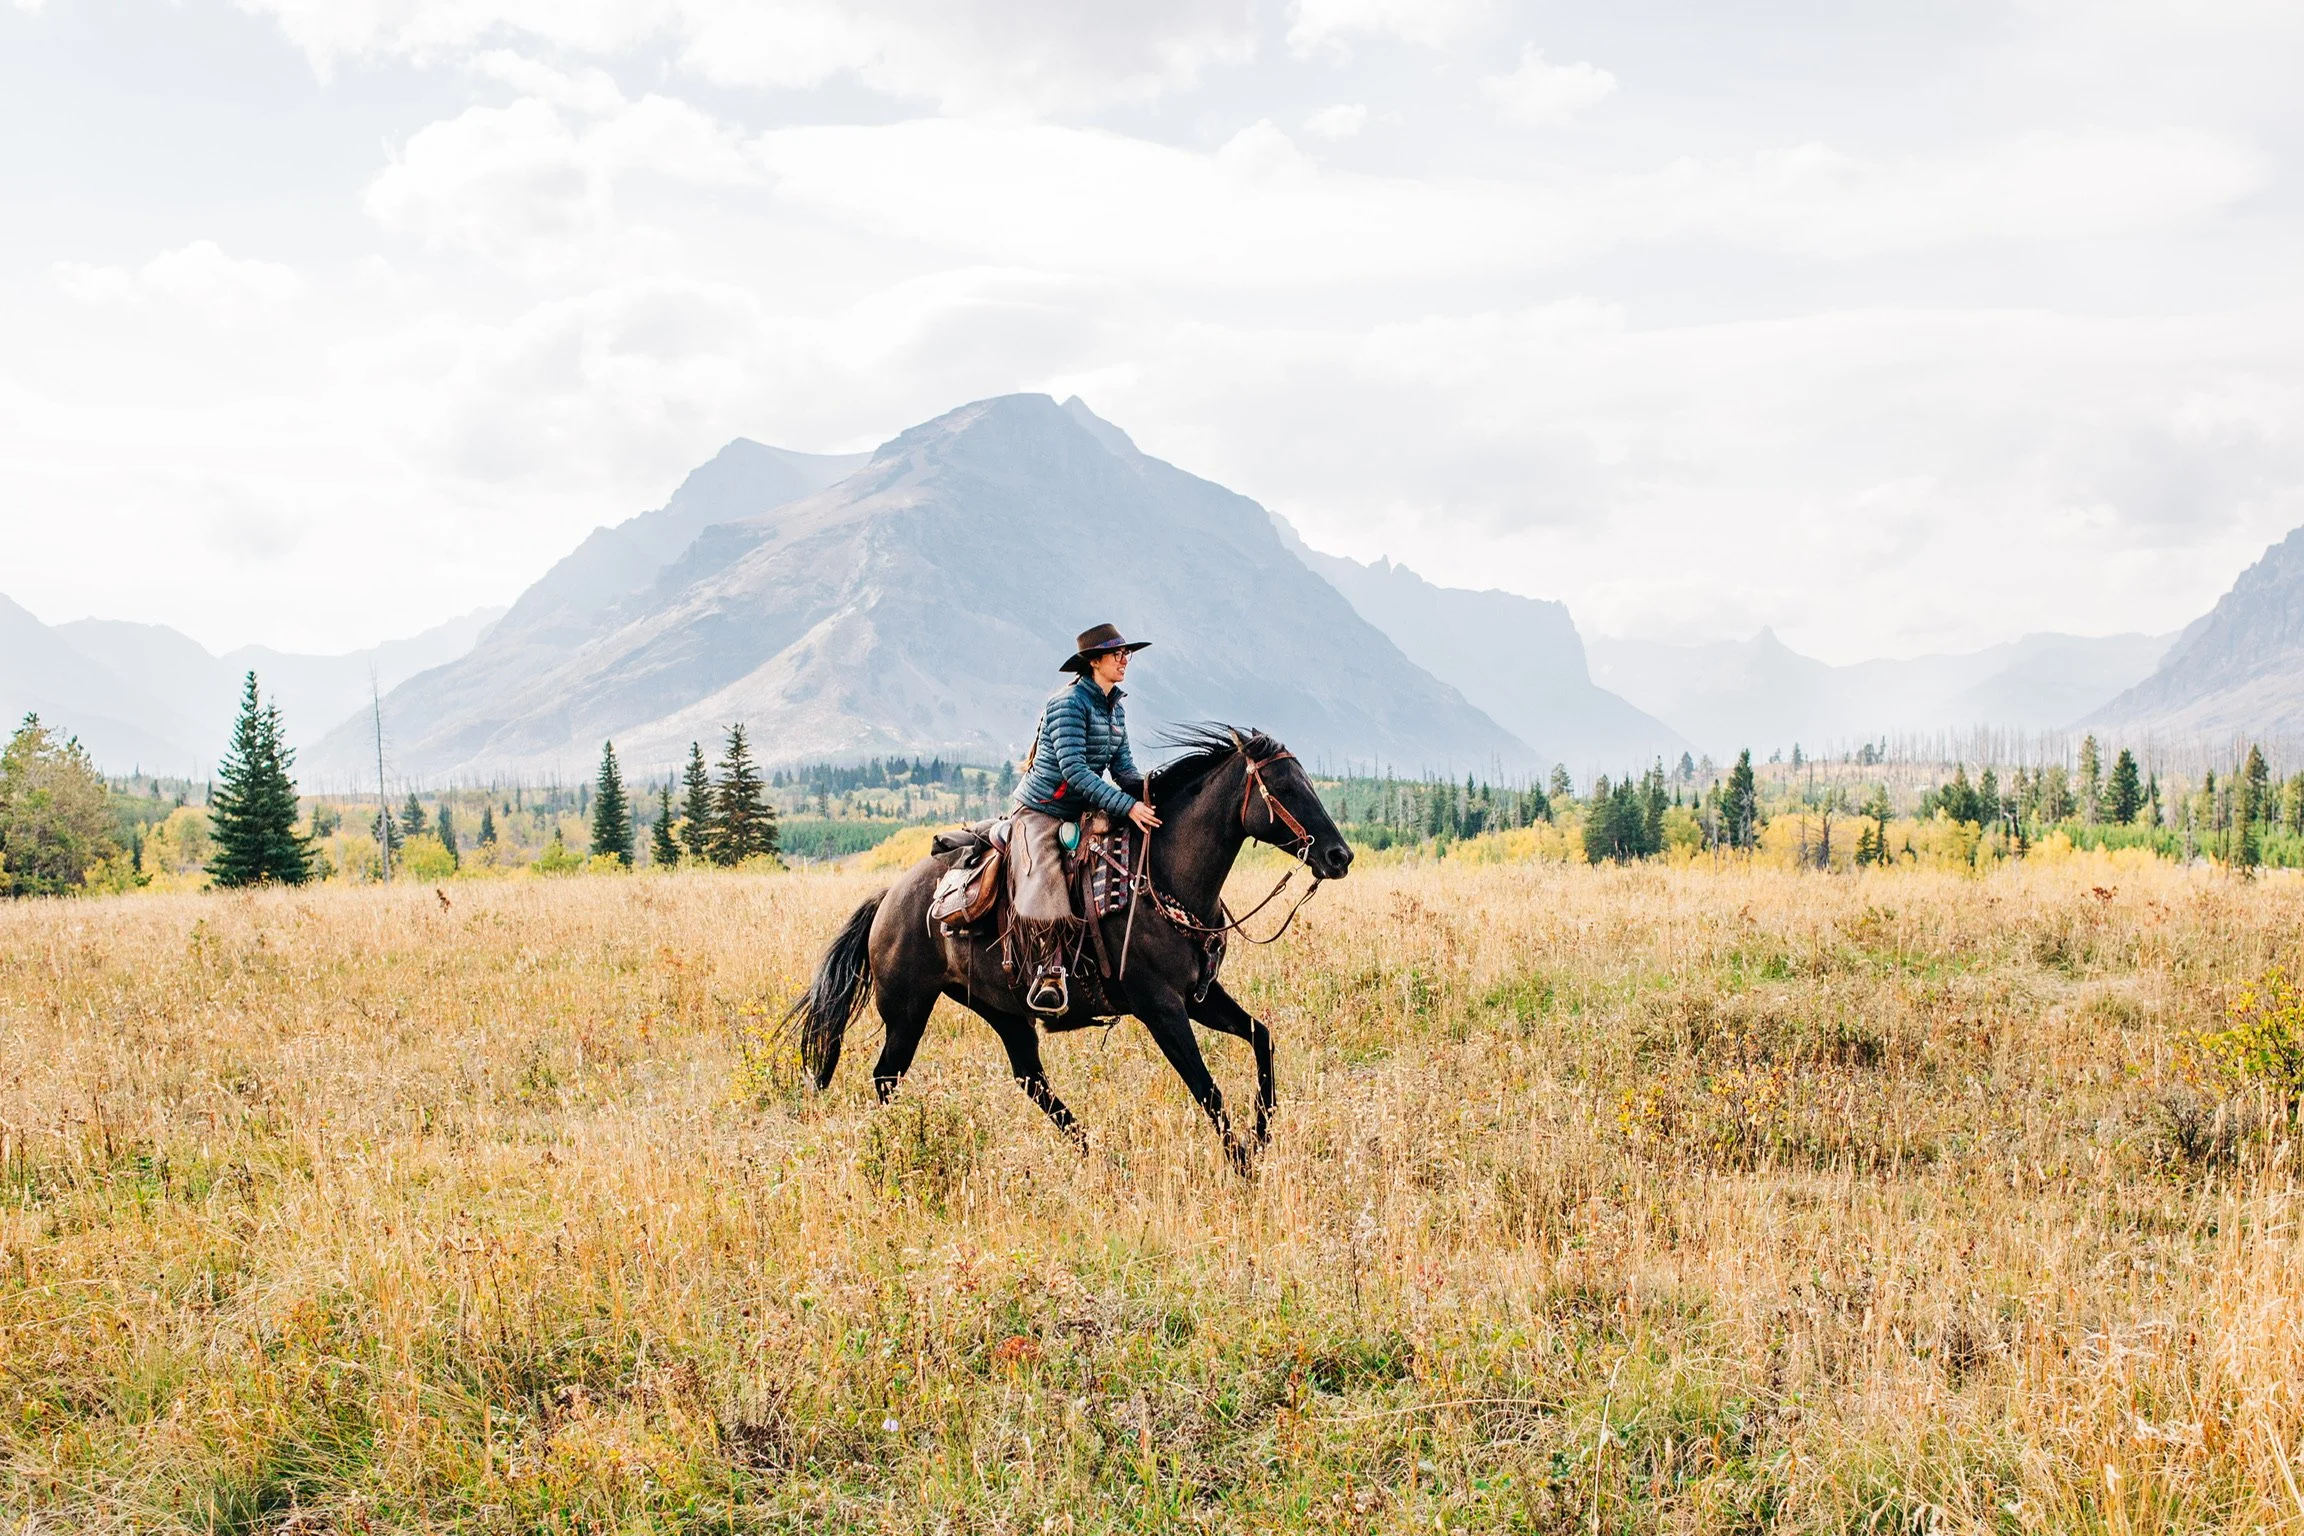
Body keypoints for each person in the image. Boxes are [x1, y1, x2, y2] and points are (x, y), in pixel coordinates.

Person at [1009, 623, 1162, 1014]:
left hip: (1082, 810)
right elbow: (1075, 770)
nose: (1124, 659)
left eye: (1127, 653)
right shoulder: (1069, 704)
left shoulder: (1116, 707)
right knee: (1046, 877)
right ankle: (1048, 971)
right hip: (1041, 811)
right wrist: (1127, 807)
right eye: (1117, 654)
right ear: (1094, 661)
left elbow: (1124, 769)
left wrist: (1152, 791)